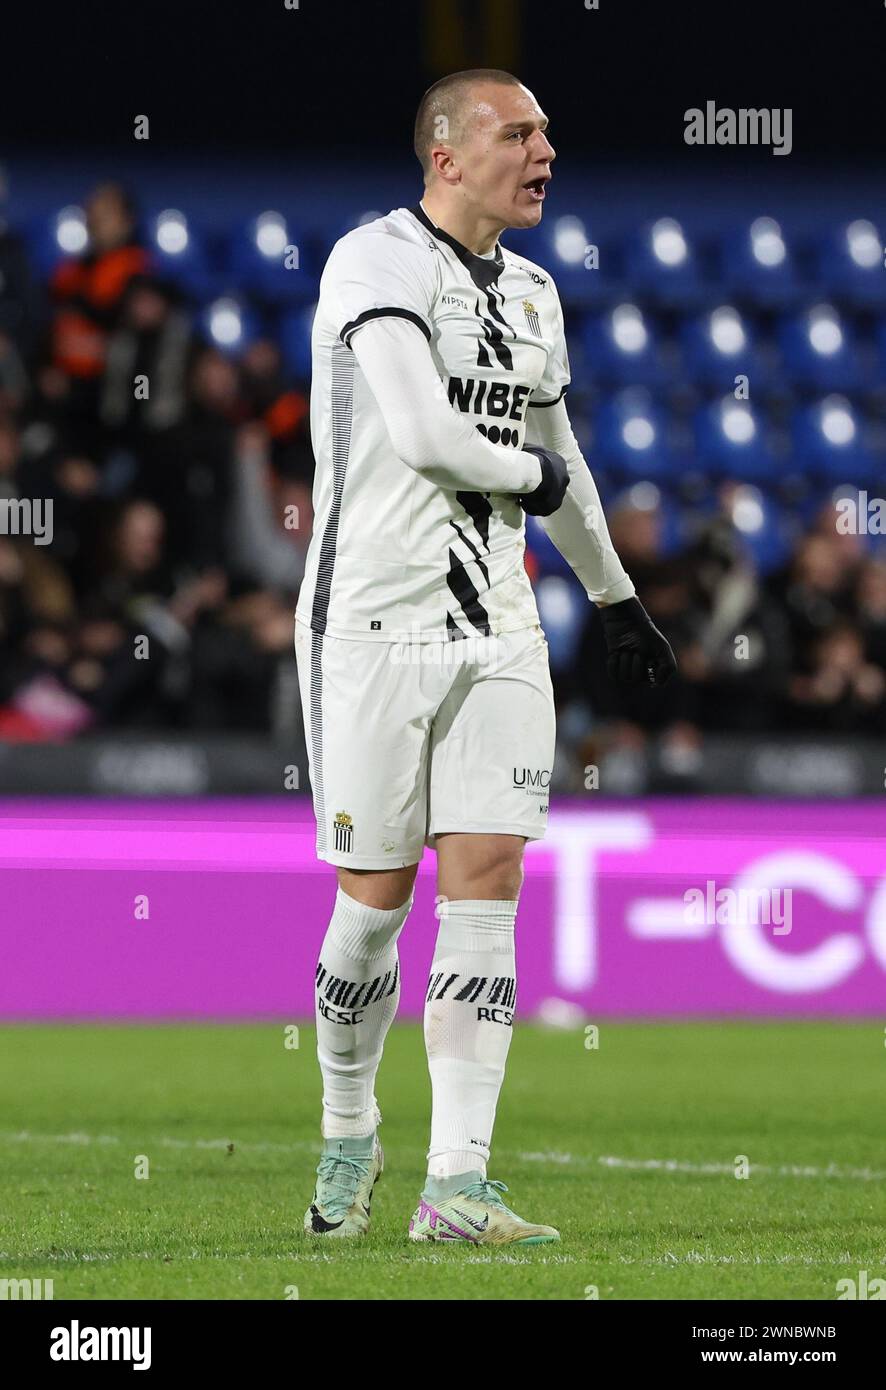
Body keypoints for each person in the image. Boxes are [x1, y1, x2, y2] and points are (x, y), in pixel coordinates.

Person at [293, 68, 675, 1246]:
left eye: (549, 130)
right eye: (520, 132)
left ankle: (455, 1183)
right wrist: (536, 478)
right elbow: (423, 435)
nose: (545, 148)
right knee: (372, 903)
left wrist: (614, 597)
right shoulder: (375, 263)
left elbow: (560, 452)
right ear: (448, 155)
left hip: (496, 629)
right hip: (369, 628)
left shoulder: (539, 295)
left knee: (489, 883)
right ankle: (350, 1128)